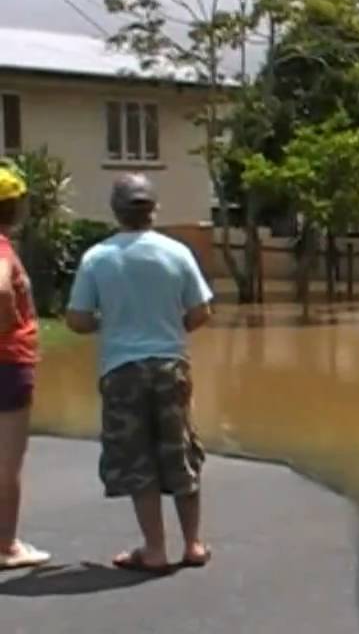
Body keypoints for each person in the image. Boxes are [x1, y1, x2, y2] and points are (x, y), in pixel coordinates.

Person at [65, 173, 214, 574]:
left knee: (138, 457)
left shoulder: (97, 258)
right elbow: (201, 312)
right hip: (170, 365)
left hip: (121, 370)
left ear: (116, 211)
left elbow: (77, 320)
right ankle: (194, 544)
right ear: (153, 209)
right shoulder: (177, 253)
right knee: (180, 450)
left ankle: (154, 549)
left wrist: (111, 323)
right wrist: (167, 325)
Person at [0, 167, 51, 571]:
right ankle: (6, 546)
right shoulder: (0, 248)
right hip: (8, 363)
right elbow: (0, 288)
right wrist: (9, 320)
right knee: (8, 460)